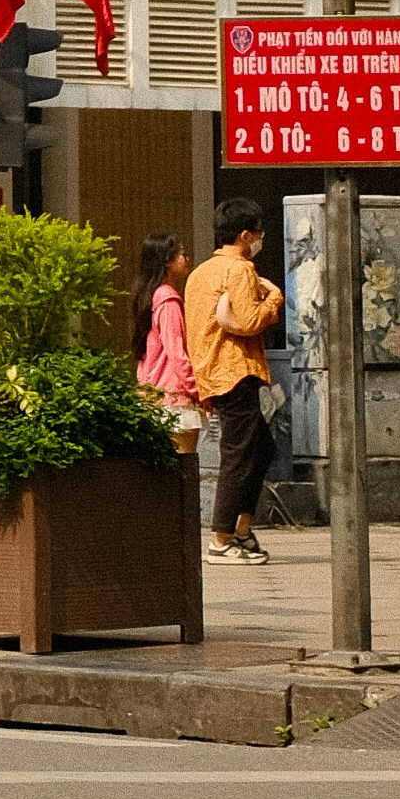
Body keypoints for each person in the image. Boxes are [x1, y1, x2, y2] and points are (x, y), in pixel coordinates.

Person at [181, 201, 286, 562]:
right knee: (239, 454)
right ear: (244, 235)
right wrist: (274, 298)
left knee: (262, 448)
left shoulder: (200, 273)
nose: (260, 239)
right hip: (235, 371)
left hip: (213, 370)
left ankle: (241, 528)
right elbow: (251, 320)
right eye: (257, 232)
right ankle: (221, 538)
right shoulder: (240, 270)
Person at [134, 234, 198, 441]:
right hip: (174, 397)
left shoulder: (148, 296)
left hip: (151, 395)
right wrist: (197, 390)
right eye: (182, 254)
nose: (186, 259)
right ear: (167, 261)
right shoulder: (169, 301)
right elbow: (177, 353)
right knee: (184, 465)